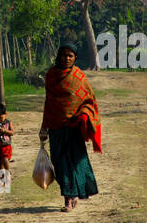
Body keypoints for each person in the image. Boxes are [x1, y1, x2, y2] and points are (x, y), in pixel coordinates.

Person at [39, 45, 101, 212]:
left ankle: (69, 197)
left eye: (71, 55)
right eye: (64, 55)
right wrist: (43, 127)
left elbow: (89, 99)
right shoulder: (51, 76)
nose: (67, 58)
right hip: (56, 127)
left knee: (74, 162)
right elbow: (49, 103)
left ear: (75, 58)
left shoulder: (78, 77)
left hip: (73, 127)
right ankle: (70, 193)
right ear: (59, 56)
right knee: (59, 163)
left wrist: (84, 114)